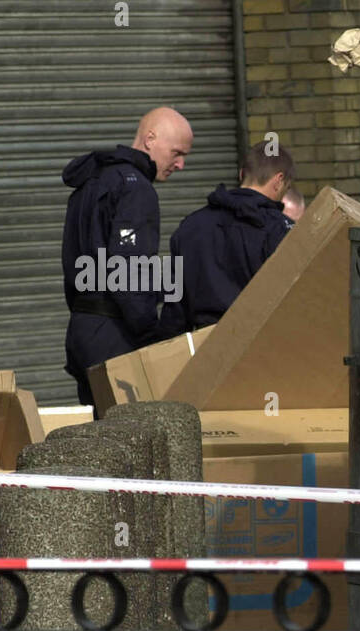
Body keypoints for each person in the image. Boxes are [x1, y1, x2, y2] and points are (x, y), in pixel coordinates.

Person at [61, 107, 192, 406]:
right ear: (150, 139)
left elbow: (74, 263)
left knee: (103, 436)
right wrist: (150, 335)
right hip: (115, 335)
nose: (181, 164)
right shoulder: (136, 190)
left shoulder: (91, 183)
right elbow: (129, 271)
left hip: (83, 329)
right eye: (176, 153)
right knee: (132, 438)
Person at [169, 141, 296, 329]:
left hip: (202, 346)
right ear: (278, 181)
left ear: (242, 174)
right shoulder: (280, 229)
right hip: (261, 344)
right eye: (286, 188)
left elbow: (175, 308)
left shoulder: (190, 226)